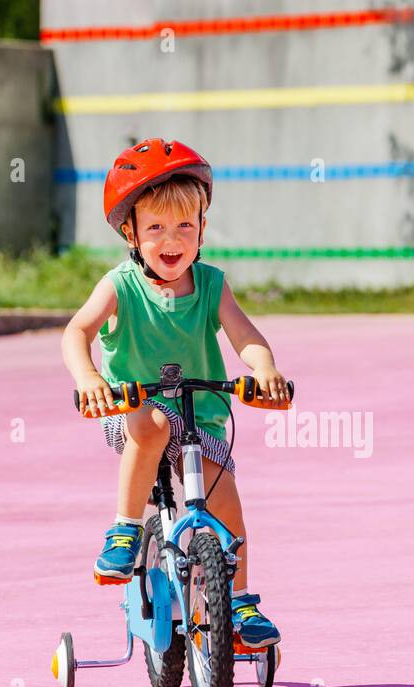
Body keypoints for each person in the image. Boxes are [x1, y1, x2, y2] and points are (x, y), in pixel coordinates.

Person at [60, 138, 287, 648]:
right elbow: (76, 333)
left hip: (200, 418)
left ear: (202, 229)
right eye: (156, 227)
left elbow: (245, 336)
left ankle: (239, 604)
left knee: (225, 497)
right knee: (154, 423)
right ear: (131, 232)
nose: (172, 239)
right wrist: (90, 378)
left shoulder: (210, 285)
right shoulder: (120, 286)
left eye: (185, 225)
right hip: (132, 412)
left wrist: (265, 367)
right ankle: (123, 529)